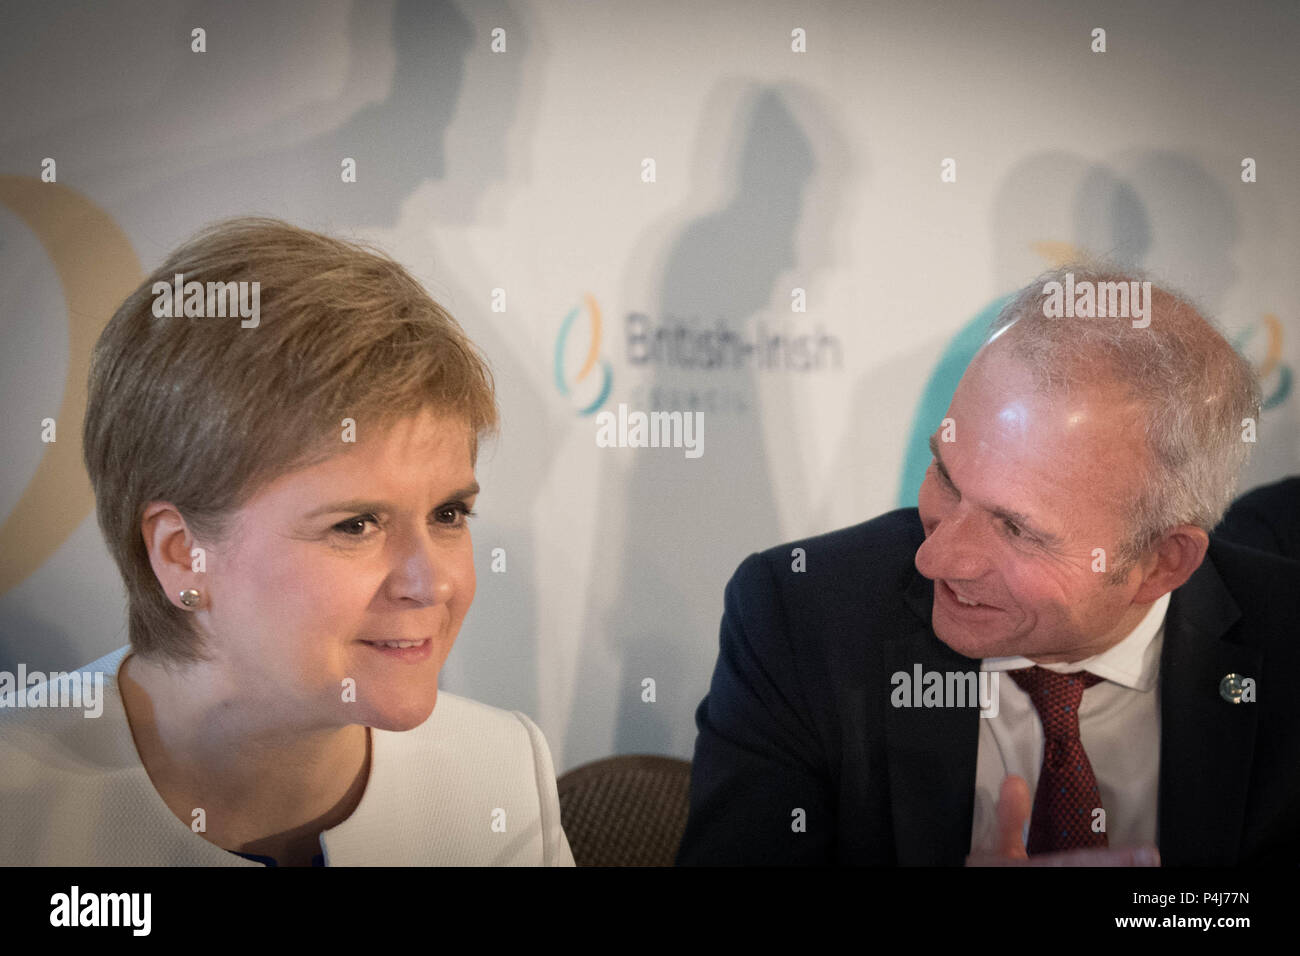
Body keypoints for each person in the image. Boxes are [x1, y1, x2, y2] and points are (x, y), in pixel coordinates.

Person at [677, 265, 1300, 866]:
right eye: (946, 477)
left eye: (1015, 528)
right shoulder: (800, 615)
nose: (935, 556)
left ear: (1162, 562)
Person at [0, 218, 574, 866]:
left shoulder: (502, 774)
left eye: (448, 513)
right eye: (355, 525)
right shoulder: (14, 804)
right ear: (182, 552)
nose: (433, 582)